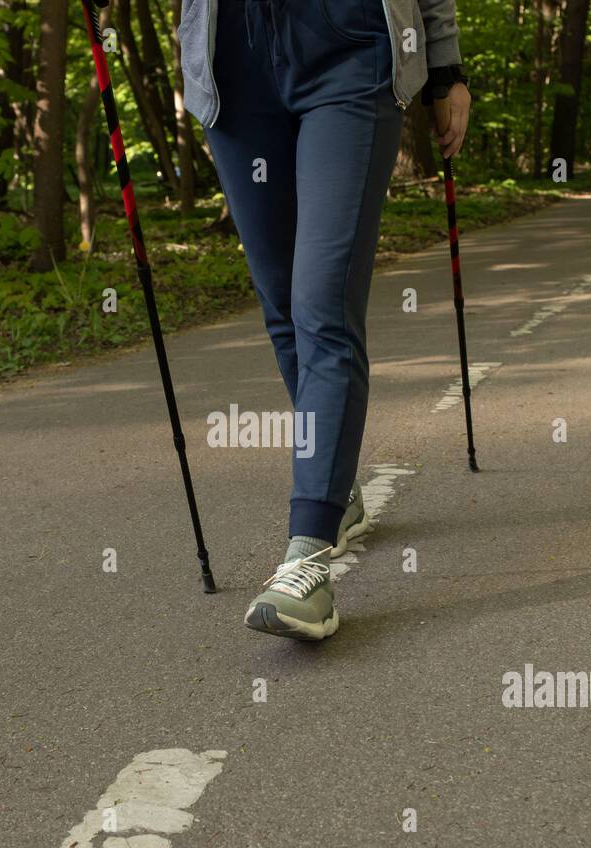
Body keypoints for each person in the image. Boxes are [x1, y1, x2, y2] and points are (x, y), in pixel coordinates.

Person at [178, 0, 470, 639]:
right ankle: (338, 489)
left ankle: (306, 557)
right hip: (233, 62)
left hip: (350, 47)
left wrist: (444, 68)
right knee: (283, 307)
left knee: (322, 308)